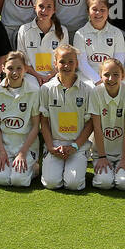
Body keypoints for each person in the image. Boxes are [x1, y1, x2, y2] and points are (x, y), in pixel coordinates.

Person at [38, 45, 96, 190]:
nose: (66, 65)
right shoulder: (46, 89)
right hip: (55, 145)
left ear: (77, 64)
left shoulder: (88, 89)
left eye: (71, 62)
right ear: (55, 63)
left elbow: (90, 123)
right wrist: (51, 146)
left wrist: (75, 146)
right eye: (62, 61)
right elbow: (43, 122)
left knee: (73, 184)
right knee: (51, 183)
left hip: (78, 145)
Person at [0, 52, 42, 186]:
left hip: (26, 146)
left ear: (25, 69)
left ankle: (34, 167)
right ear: (3, 68)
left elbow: (36, 126)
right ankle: (7, 161)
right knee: (1, 179)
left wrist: (22, 153)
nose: (14, 72)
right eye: (10, 68)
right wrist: (1, 151)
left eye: (19, 68)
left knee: (19, 181)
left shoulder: (34, 91)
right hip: (5, 146)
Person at [89, 58, 125, 191]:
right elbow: (97, 128)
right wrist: (102, 157)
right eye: (106, 74)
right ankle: (104, 171)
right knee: (104, 183)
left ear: (122, 75)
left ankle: (122, 167)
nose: (111, 78)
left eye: (116, 74)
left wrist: (124, 159)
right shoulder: (95, 92)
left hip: (124, 153)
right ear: (100, 75)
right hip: (101, 152)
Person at [72, 0, 125, 84]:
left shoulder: (116, 33)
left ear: (108, 12)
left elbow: (119, 62)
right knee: (92, 89)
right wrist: (98, 80)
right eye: (94, 9)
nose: (98, 13)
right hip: (87, 77)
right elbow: (82, 64)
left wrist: (109, 78)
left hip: (111, 75)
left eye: (102, 10)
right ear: (88, 11)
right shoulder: (80, 34)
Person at [16, 0, 67, 84]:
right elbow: (22, 60)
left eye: (49, 7)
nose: (44, 10)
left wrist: (49, 76)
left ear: (54, 9)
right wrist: (38, 76)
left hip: (54, 75)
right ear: (34, 7)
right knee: (32, 88)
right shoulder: (24, 30)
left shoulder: (63, 31)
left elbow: (63, 59)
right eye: (41, 6)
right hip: (30, 75)